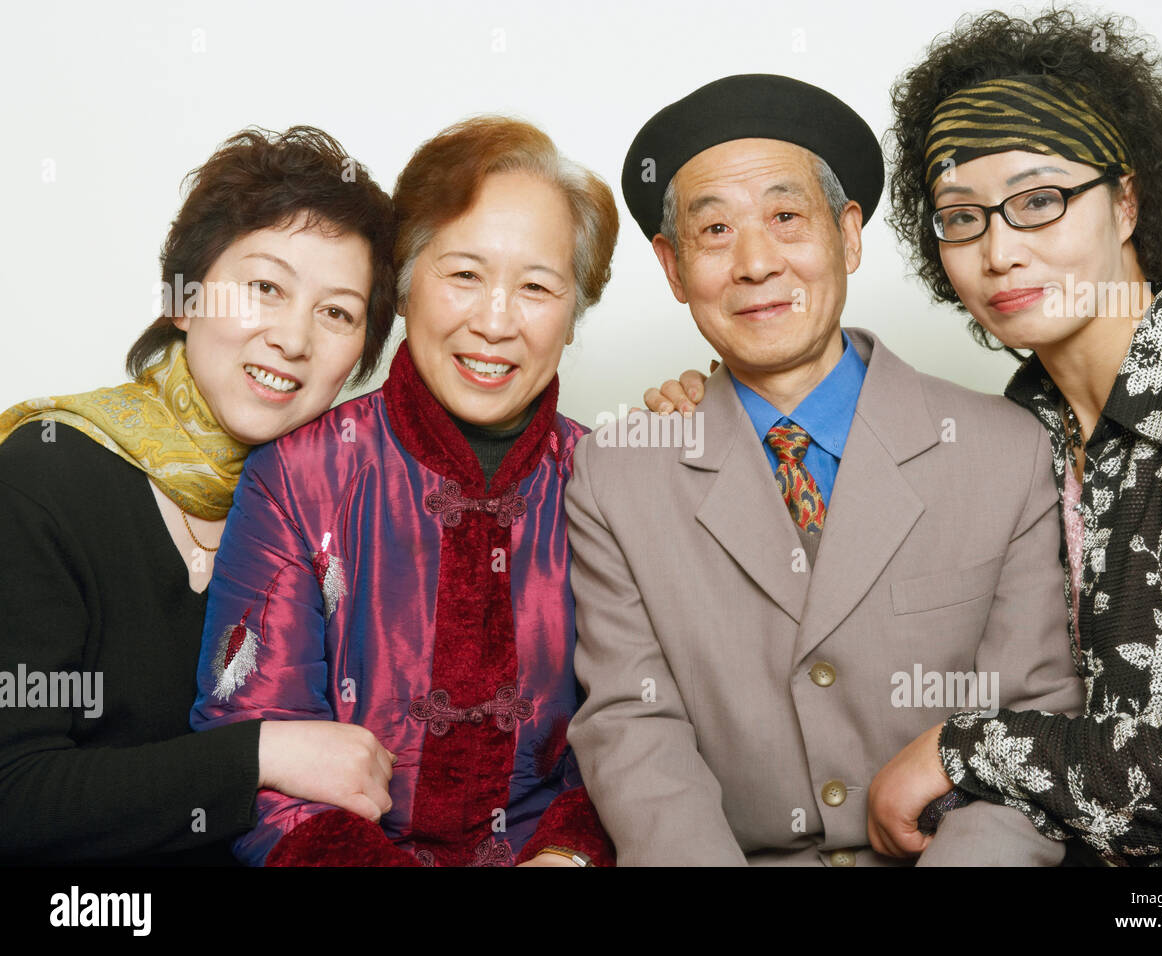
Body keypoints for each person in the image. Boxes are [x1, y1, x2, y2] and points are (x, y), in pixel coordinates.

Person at [564, 73, 1083, 866]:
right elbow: (636, 731)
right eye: (714, 232)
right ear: (672, 269)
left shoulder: (1003, 452)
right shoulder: (616, 474)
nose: (756, 263)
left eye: (784, 217)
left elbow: (1032, 717)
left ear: (847, 235)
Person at [863, 8, 1162, 866]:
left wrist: (965, 748)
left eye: (1039, 201)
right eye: (962, 217)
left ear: (1127, 200)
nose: (999, 252)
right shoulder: (1015, 426)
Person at [190, 116, 619, 867]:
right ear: (407, 283)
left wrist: (571, 854)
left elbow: (641, 729)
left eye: (538, 288)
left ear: (573, 316)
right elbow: (256, 746)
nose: (494, 322)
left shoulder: (612, 483)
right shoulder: (299, 477)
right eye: (463, 274)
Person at [0, 127, 400, 864]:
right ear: (182, 299)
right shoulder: (44, 480)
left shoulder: (347, 509)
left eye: (337, 312)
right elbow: (14, 792)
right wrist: (258, 756)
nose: (293, 337)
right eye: (266, 287)